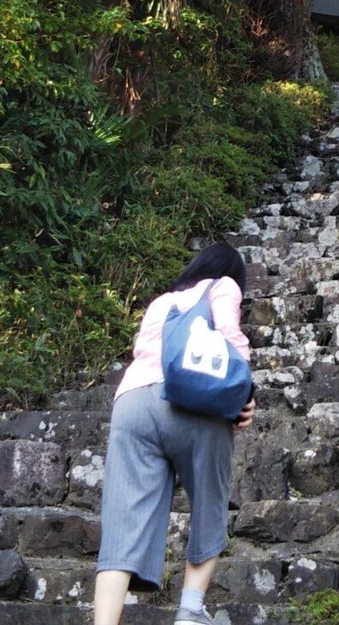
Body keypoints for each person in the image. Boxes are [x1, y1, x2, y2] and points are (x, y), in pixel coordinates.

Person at [94, 242, 257, 625]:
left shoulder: (161, 302)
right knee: (209, 504)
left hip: (132, 404)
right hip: (192, 404)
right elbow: (231, 338)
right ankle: (189, 610)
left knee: (124, 521)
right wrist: (245, 394)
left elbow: (145, 350)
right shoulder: (224, 285)